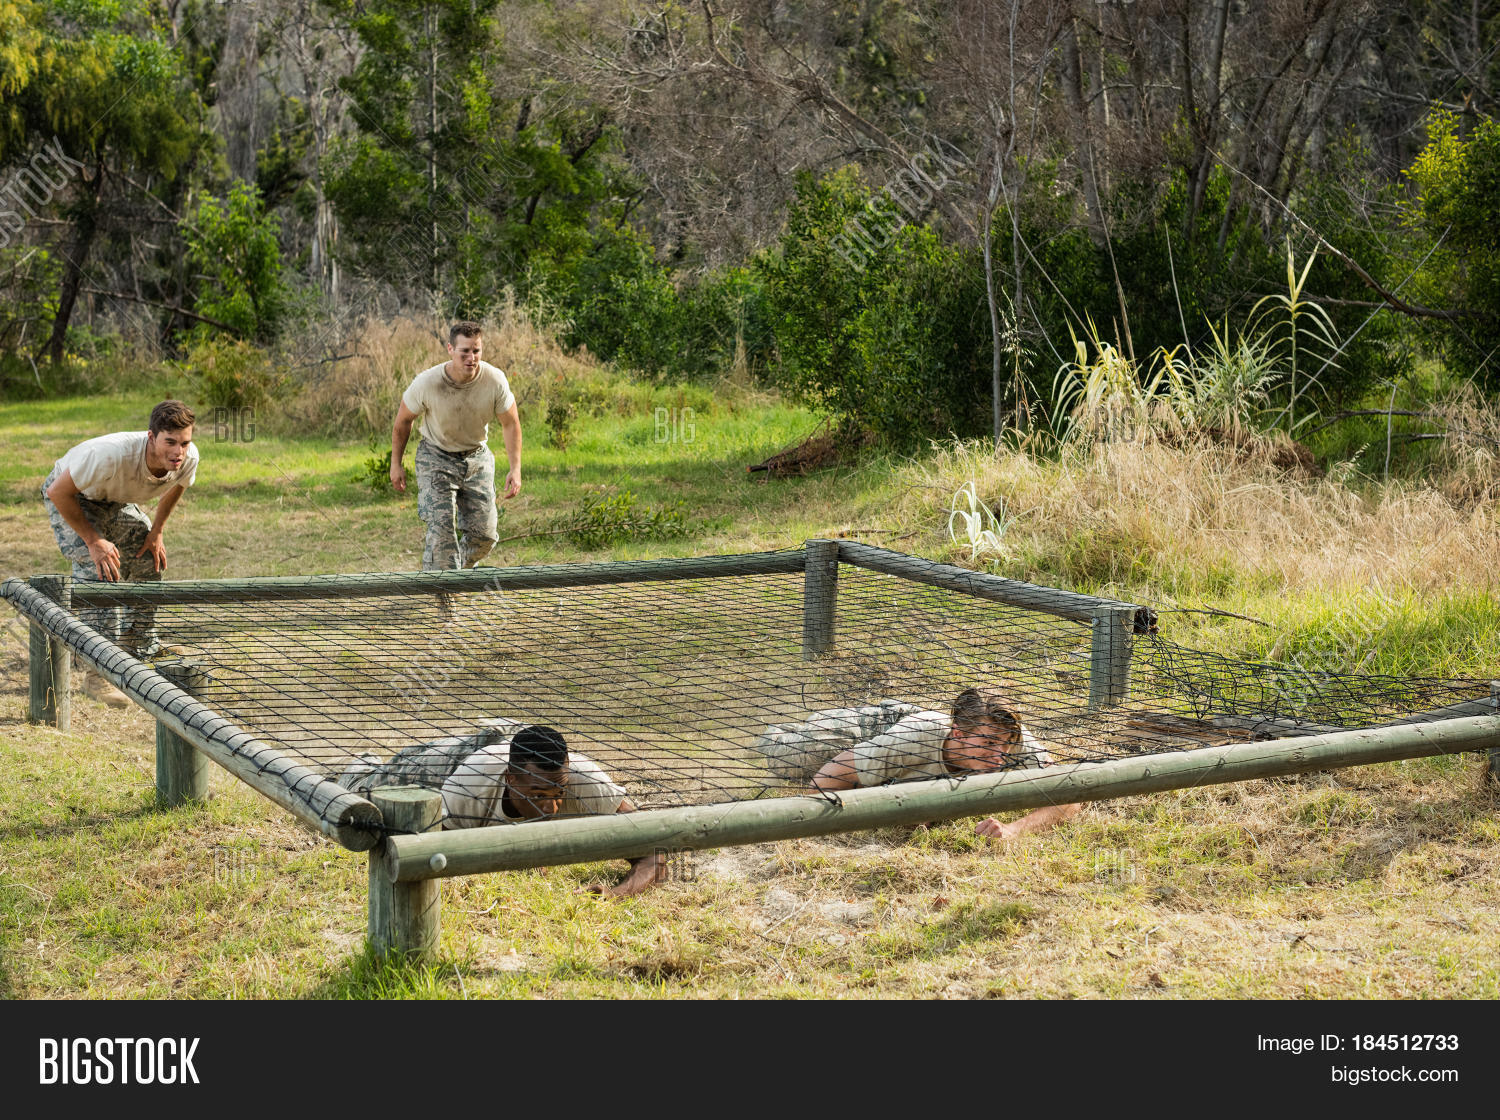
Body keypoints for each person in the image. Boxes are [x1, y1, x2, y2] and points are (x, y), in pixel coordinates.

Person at [338, 718, 666, 896]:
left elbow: (655, 851)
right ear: (511, 779)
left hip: (516, 742)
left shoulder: (586, 782)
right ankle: (363, 763)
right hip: (458, 760)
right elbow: (433, 857)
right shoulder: (467, 788)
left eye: (559, 793)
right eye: (538, 795)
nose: (552, 806)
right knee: (362, 791)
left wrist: (615, 894)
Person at [752, 686, 1082, 841]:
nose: (1000, 754)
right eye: (988, 744)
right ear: (959, 733)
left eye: (1005, 743)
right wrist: (887, 811)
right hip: (876, 727)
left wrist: (1015, 830)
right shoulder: (909, 741)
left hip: (914, 728)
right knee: (791, 758)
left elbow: (1070, 796)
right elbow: (824, 782)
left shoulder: (1015, 743)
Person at [42, 400, 198, 707]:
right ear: (151, 437)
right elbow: (57, 492)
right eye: (170, 442)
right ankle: (97, 672)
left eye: (184, 443)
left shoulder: (188, 458)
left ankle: (138, 645)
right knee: (101, 572)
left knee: (148, 560)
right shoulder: (109, 455)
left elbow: (178, 486)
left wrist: (157, 531)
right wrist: (93, 541)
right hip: (75, 497)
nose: (178, 452)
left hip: (114, 499)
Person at [389, 321, 522, 571]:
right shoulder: (427, 382)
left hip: (476, 457)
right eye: (465, 352)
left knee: (485, 536)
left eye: (476, 351)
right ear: (450, 349)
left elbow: (511, 423)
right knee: (442, 535)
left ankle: (453, 572)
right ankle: (443, 585)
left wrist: (515, 469)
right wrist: (396, 464)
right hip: (436, 458)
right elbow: (403, 422)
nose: (472, 358)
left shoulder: (494, 380)